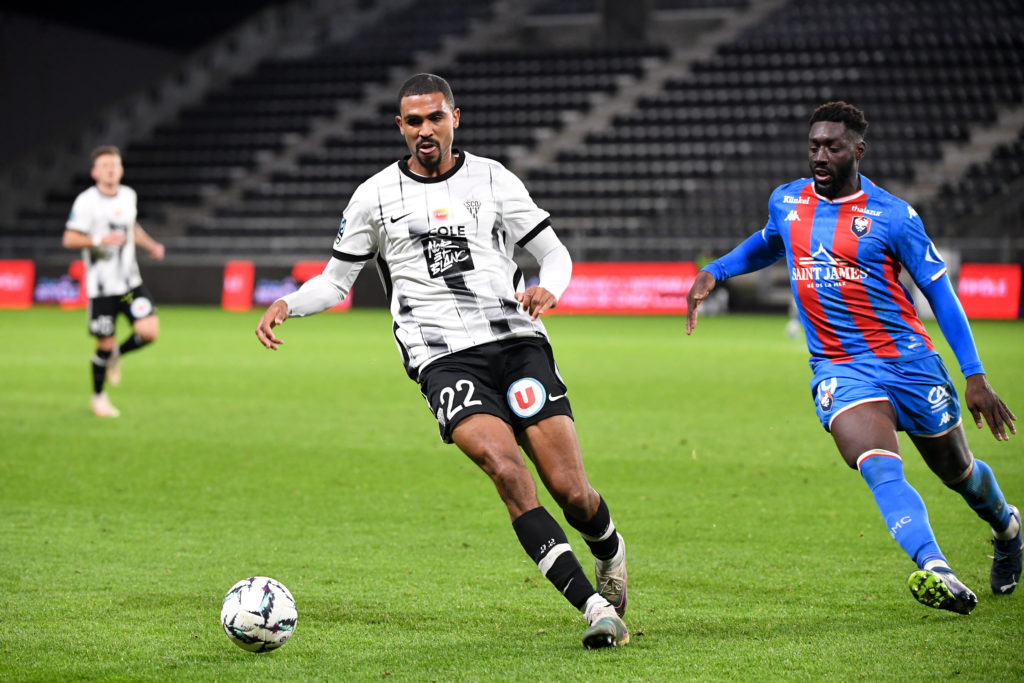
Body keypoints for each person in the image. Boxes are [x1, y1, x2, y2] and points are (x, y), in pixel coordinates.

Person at [255, 74, 629, 648]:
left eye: (435, 117)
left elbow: (553, 252)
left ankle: (609, 551)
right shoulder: (374, 196)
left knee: (572, 491)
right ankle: (595, 609)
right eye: (413, 121)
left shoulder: (494, 178)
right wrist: (288, 302)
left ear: (456, 118)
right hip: (443, 360)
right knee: (508, 472)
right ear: (400, 127)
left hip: (516, 342)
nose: (425, 129)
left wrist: (550, 288)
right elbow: (335, 282)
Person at [686, 101, 1020, 614]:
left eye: (833, 147)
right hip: (841, 368)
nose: (821, 155)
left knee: (959, 473)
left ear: (858, 150)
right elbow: (768, 242)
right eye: (814, 146)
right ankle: (936, 568)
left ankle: (1008, 527)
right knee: (878, 467)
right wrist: (716, 270)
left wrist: (975, 375)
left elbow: (940, 293)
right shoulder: (788, 201)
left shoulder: (893, 216)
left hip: (909, 363)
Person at [62, 145, 165, 417]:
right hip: (102, 290)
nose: (111, 170)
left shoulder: (129, 195)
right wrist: (99, 239)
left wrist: (150, 245)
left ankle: (118, 354)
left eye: (115, 165)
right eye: (105, 166)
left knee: (149, 331)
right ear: (95, 172)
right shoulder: (86, 202)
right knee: (103, 345)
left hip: (128, 287)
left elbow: (132, 227)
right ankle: (98, 398)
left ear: (121, 169)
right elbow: (69, 239)